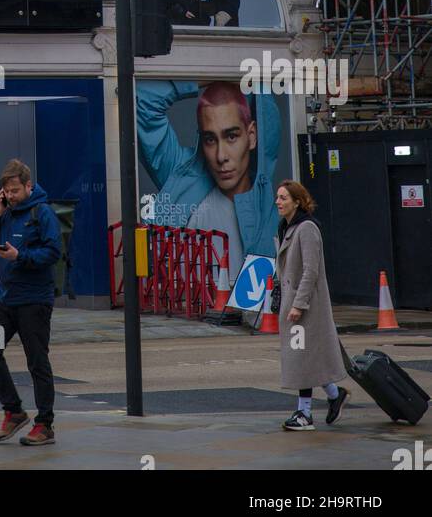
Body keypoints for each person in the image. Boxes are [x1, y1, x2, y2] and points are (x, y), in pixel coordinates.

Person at [137, 81, 281, 279]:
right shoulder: (182, 175)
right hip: (191, 305)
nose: (221, 156)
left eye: (231, 136)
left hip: (248, 308)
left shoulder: (264, 197)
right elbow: (142, 101)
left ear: (252, 136)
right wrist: (203, 79)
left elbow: (268, 117)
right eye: (210, 139)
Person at [0, 159, 62, 446]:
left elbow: (53, 252)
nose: (10, 196)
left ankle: (45, 424)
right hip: (6, 300)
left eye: (14, 191)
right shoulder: (6, 213)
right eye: (6, 192)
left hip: (34, 301)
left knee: (37, 361)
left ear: (27, 185)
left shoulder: (42, 212)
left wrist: (19, 256)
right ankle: (13, 411)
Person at [275, 181, 349, 432]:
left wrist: (299, 303)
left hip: (306, 307)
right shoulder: (288, 227)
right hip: (294, 304)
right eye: (278, 197)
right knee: (304, 356)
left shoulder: (306, 228)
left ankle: (305, 413)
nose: (278, 201)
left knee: (302, 357)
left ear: (297, 201)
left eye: (283, 197)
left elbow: (311, 270)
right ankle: (333, 394)